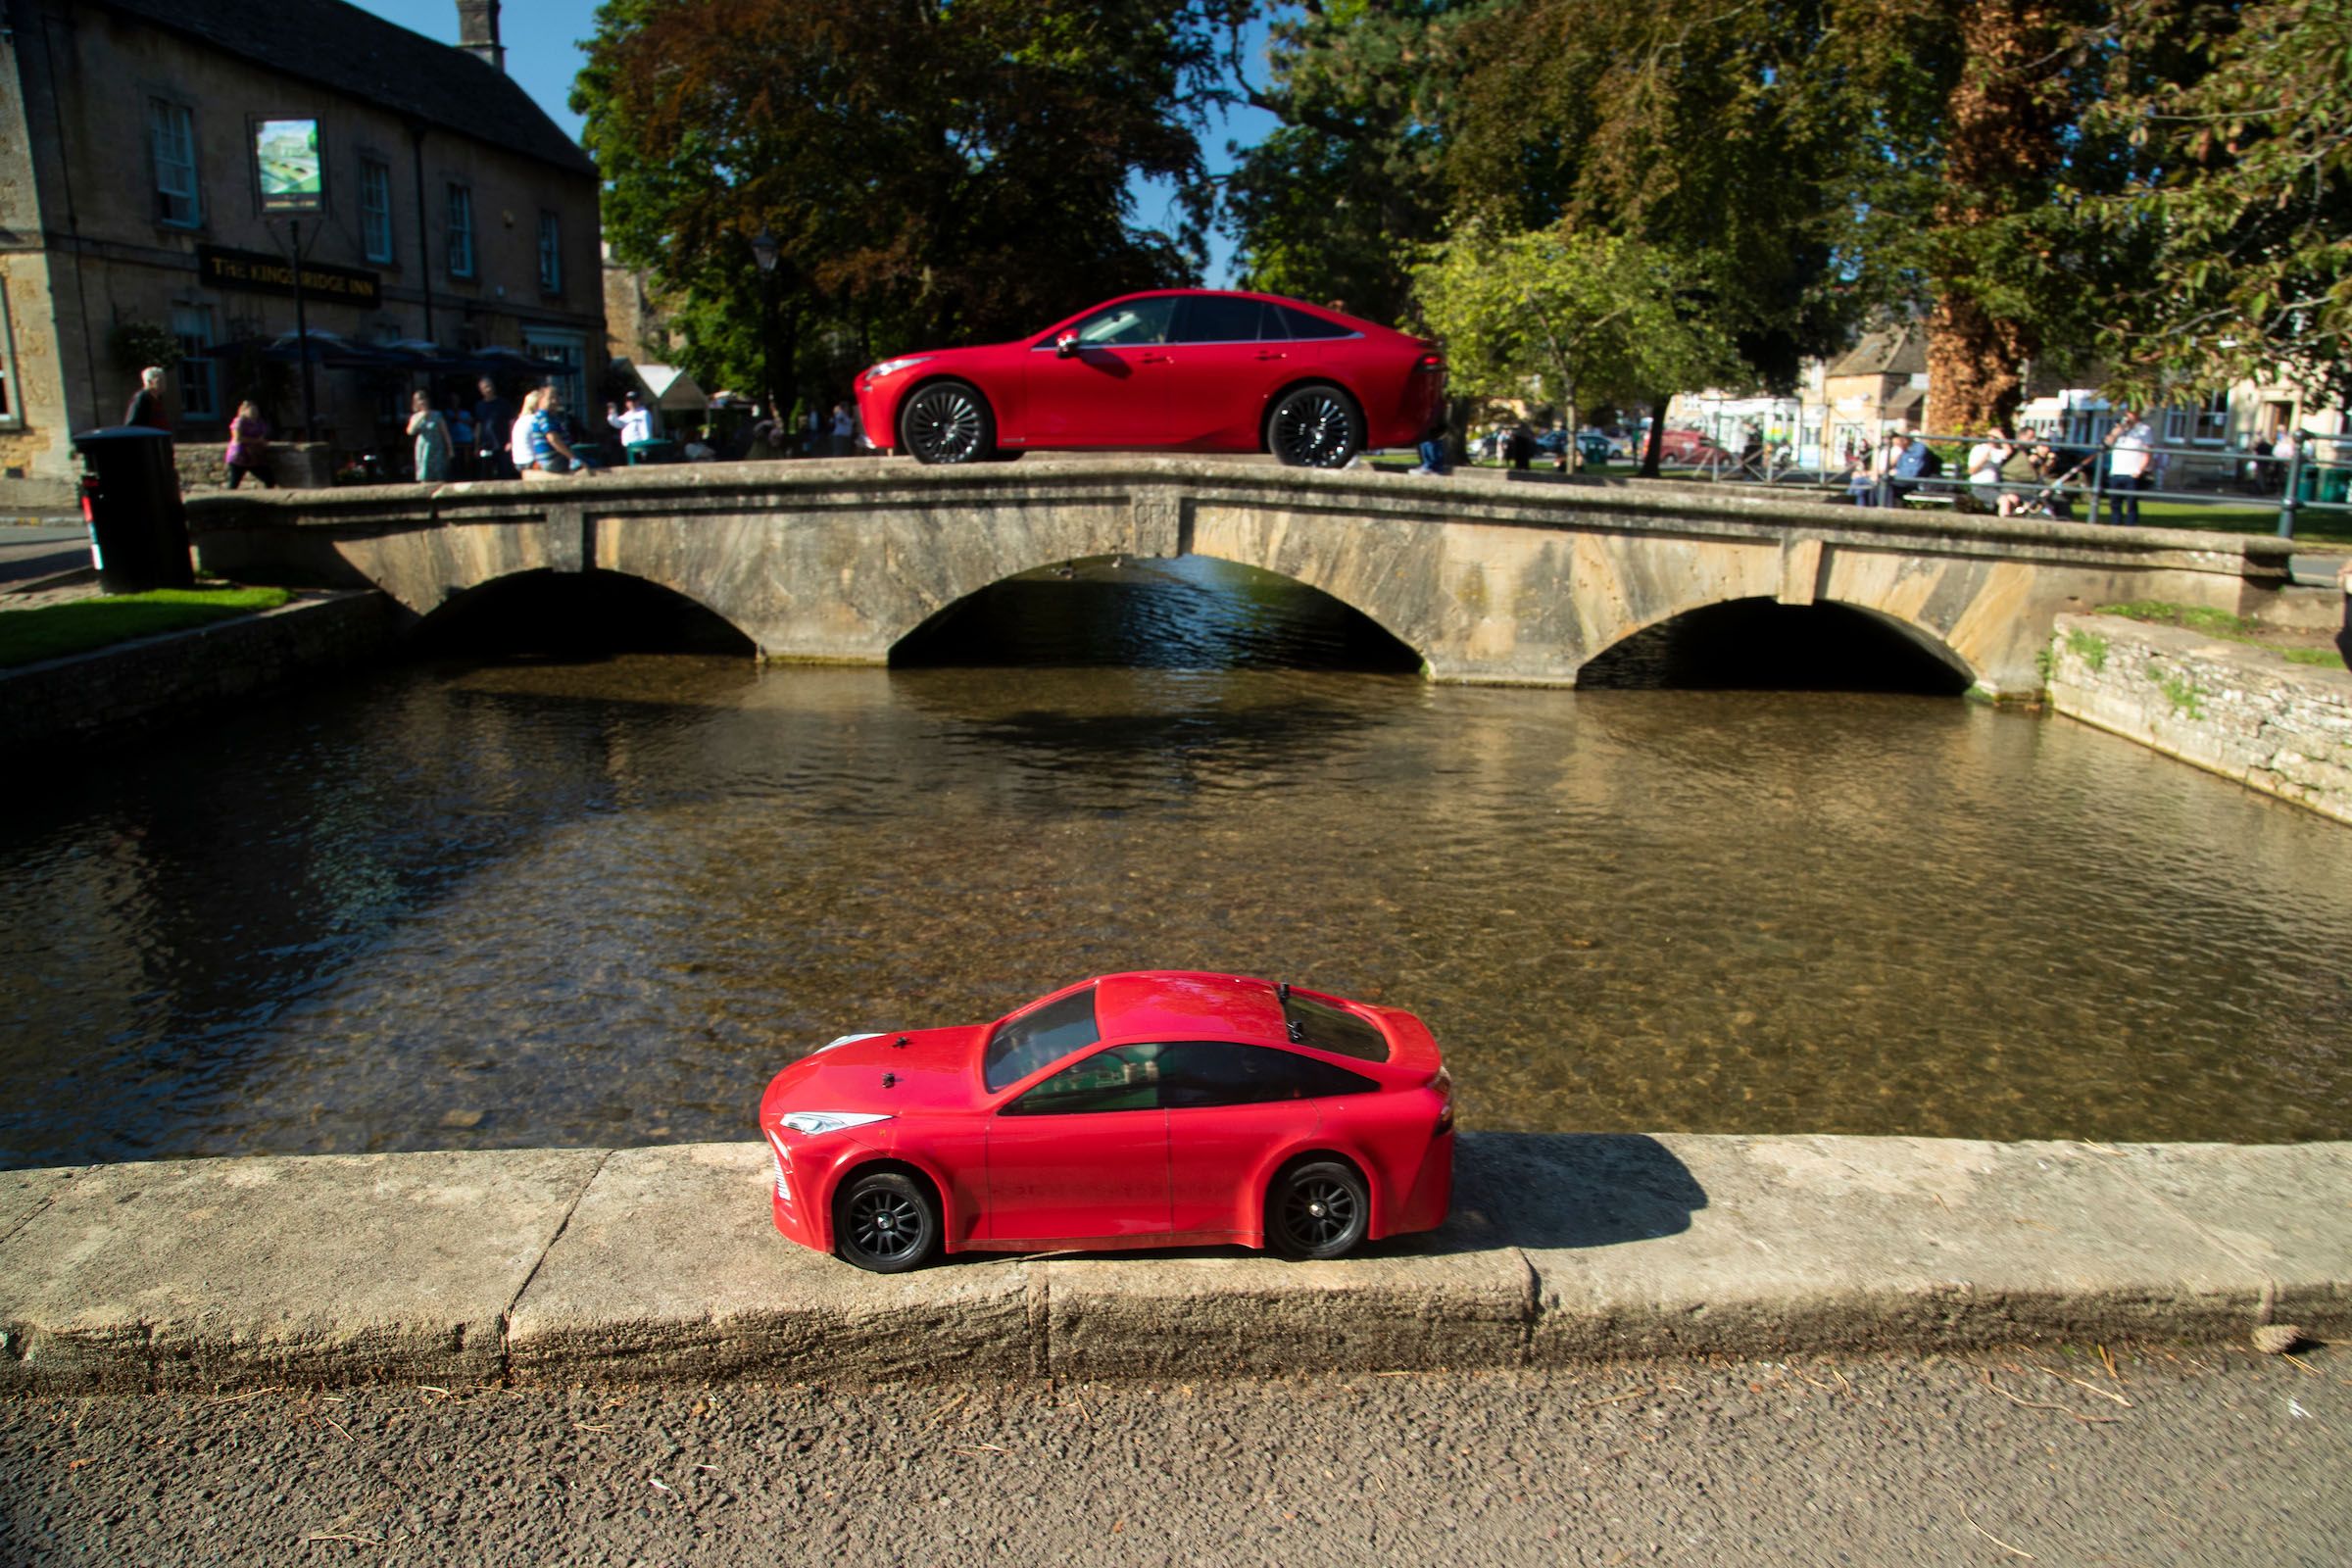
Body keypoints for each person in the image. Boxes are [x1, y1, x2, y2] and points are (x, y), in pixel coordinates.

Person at [2102, 407, 2154, 525]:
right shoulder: (2119, 429)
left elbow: (2148, 451)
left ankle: (2131, 525)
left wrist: (2140, 470)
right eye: (2127, 413)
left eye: (2131, 413)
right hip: (2116, 470)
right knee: (2114, 502)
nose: (2128, 416)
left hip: (2132, 471)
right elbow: (2107, 443)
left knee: (2131, 502)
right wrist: (2116, 431)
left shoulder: (2144, 429)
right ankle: (2115, 524)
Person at [224, 400, 274, 489]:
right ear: (244, 411)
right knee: (234, 483)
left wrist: (262, 441)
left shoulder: (259, 422)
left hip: (254, 457)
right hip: (239, 456)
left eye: (256, 411)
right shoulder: (239, 421)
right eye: (252, 411)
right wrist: (256, 441)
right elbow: (238, 438)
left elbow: (264, 436)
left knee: (269, 479)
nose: (255, 413)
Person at [473, 377, 515, 479]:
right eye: (485, 387)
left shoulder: (503, 403)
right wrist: (476, 445)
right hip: (486, 445)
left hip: (502, 444)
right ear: (481, 390)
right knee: (486, 473)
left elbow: (511, 423)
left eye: (489, 386)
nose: (488, 389)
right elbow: (478, 426)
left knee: (504, 473)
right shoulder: (479, 406)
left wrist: (511, 441)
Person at [1966, 426, 2016, 513]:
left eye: (1996, 438)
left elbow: (2008, 451)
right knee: (2004, 501)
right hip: (1980, 486)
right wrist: (1983, 460)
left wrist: (2001, 436)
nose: (1993, 439)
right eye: (1992, 437)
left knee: (2013, 498)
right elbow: (1971, 471)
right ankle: (2004, 523)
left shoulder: (1997, 451)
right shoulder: (1978, 449)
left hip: (1995, 486)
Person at [408, 390, 452, 482]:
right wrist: (422, 416)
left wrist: (450, 448)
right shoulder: (415, 417)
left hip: (437, 448)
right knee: (424, 474)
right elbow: (410, 431)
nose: (422, 402)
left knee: (439, 474)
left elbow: (445, 433)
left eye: (423, 399)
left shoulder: (437, 415)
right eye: (419, 400)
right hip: (423, 448)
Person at [124, 366, 171, 430]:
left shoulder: (158, 398)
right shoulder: (141, 398)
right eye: (160, 380)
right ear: (150, 382)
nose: (164, 383)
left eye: (164, 379)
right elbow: (131, 425)